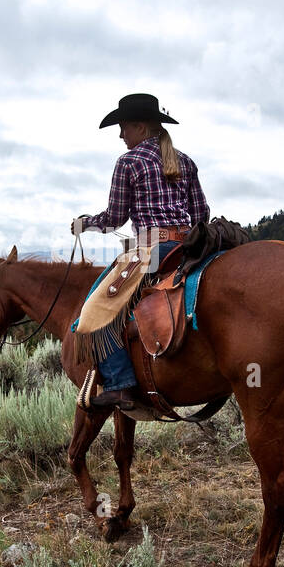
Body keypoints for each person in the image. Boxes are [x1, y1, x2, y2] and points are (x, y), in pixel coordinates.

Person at [70, 93, 210, 409]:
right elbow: (201, 213)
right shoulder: (185, 162)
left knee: (94, 310)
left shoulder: (129, 163)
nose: (121, 136)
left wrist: (84, 223)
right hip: (187, 247)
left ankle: (120, 384)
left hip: (152, 250)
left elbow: (114, 218)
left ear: (141, 127)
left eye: (123, 128)